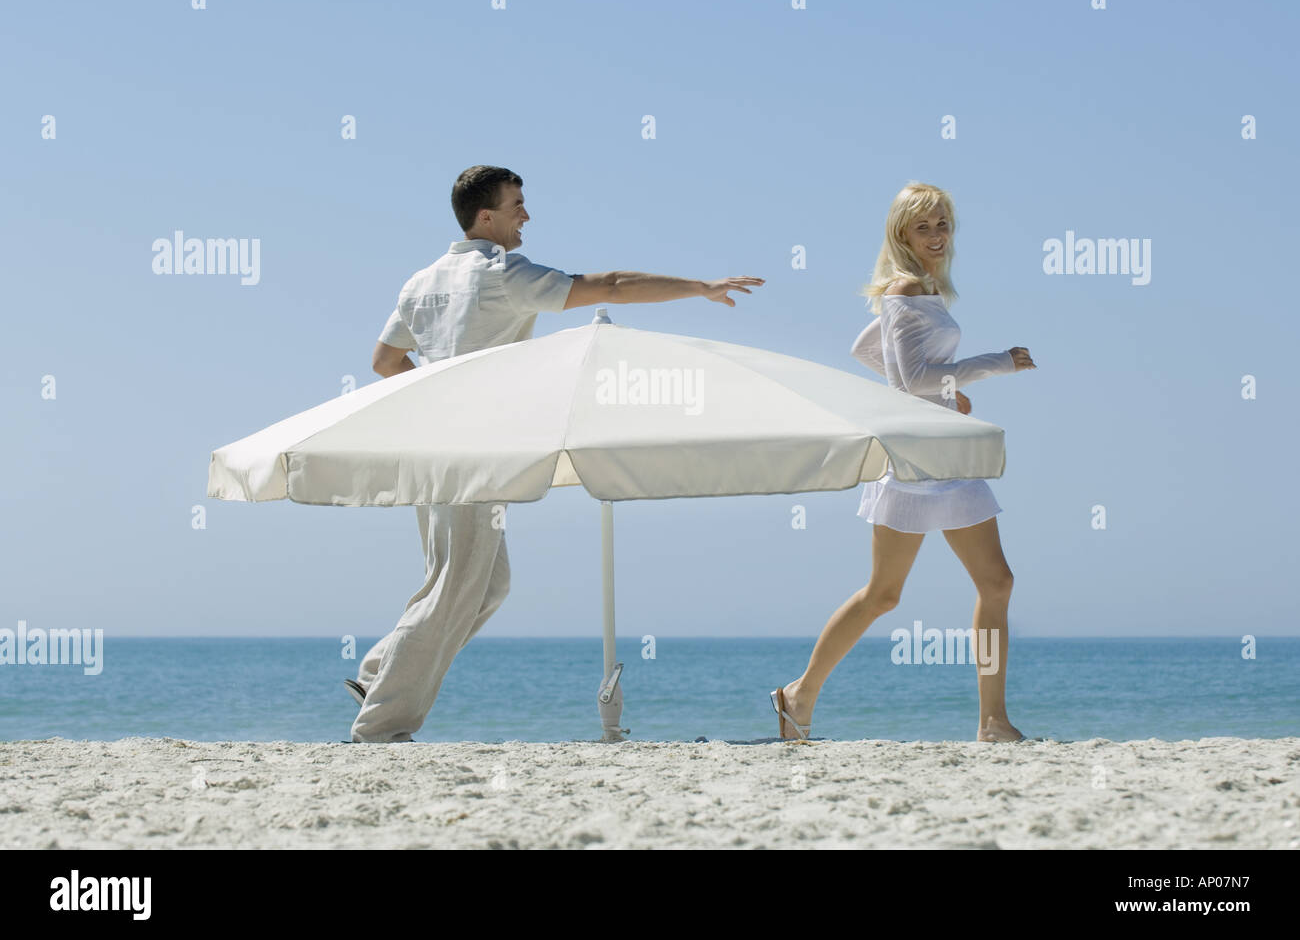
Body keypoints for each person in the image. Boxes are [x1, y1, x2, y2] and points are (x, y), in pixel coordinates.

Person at [349, 165, 764, 743]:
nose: (527, 215)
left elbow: (385, 363)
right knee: (455, 587)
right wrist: (699, 287)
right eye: (516, 204)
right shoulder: (500, 273)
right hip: (475, 456)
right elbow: (612, 284)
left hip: (433, 454)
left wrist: (439, 402)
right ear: (485, 217)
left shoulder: (421, 282)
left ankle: (377, 673)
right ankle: (381, 724)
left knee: (485, 585)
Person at [770, 181, 1034, 744]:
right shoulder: (905, 287)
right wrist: (994, 363)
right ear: (901, 233)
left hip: (945, 450)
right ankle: (799, 693)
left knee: (997, 582)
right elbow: (910, 378)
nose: (937, 235)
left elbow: (871, 352)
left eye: (943, 224)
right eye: (924, 226)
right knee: (884, 594)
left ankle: (993, 722)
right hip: (917, 458)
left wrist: (946, 394)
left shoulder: (926, 290)